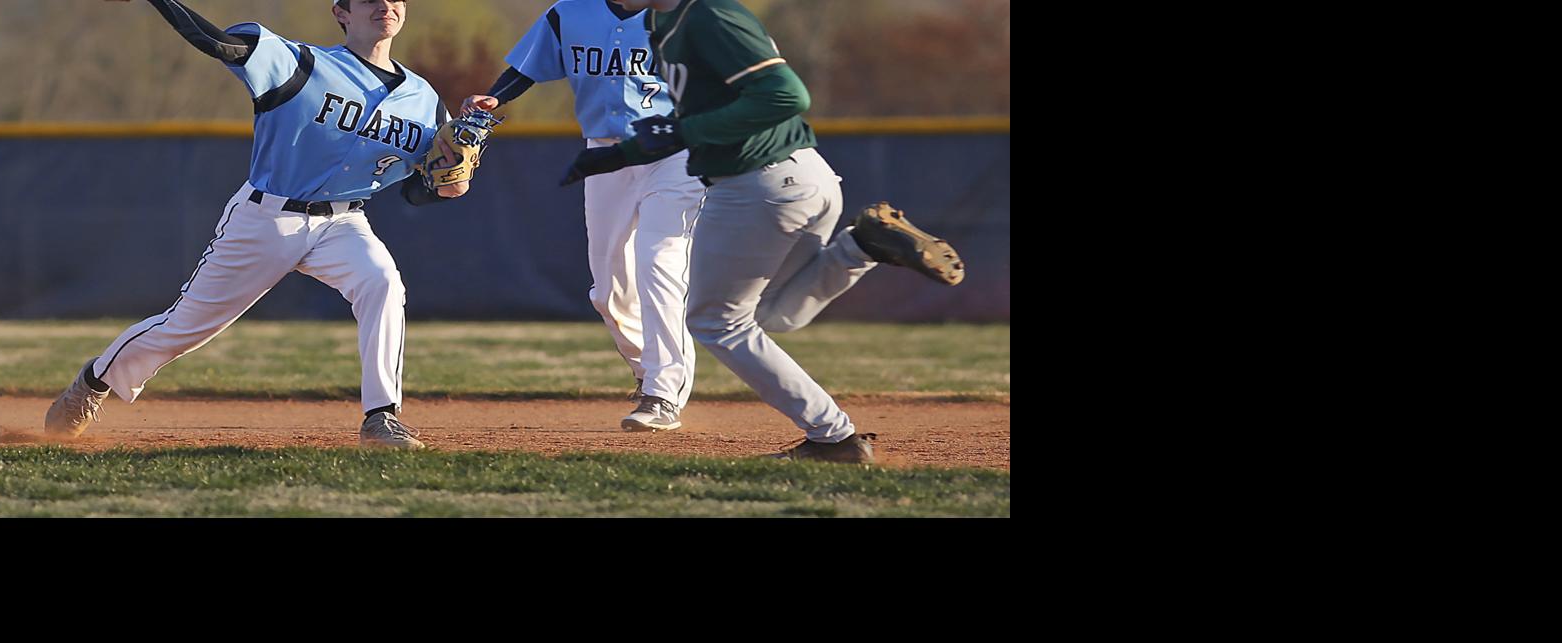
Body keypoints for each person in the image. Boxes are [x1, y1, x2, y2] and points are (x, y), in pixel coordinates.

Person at [47, 0, 474, 449]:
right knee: (184, 328)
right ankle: (95, 380)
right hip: (267, 217)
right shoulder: (301, 64)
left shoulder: (425, 101)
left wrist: (449, 183)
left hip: (345, 221)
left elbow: (418, 190)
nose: (385, 5)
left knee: (382, 282)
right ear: (342, 13)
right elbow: (214, 42)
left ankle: (381, 417)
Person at [564, 0, 966, 463]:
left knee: (716, 321)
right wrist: (627, 151)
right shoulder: (663, 22)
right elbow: (704, 108)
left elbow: (786, 94)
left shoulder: (708, 13)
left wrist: (680, 134)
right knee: (770, 314)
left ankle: (833, 438)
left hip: (760, 184)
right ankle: (860, 245)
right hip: (798, 181)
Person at [462, 1, 701, 432]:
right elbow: (529, 65)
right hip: (606, 151)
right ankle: (650, 372)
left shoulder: (688, 14)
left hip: (676, 152)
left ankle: (664, 392)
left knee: (657, 262)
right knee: (608, 290)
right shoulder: (570, 13)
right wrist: (496, 96)